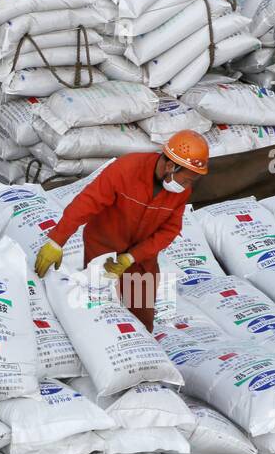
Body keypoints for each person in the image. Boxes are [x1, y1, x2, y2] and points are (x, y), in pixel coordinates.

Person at [32, 130, 209, 331]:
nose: (187, 187)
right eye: (186, 180)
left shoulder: (179, 191)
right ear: (170, 166)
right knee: (101, 311)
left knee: (143, 316)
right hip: (103, 249)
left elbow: (169, 230)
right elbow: (87, 203)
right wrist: (56, 241)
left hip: (141, 259)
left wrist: (132, 257)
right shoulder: (126, 169)